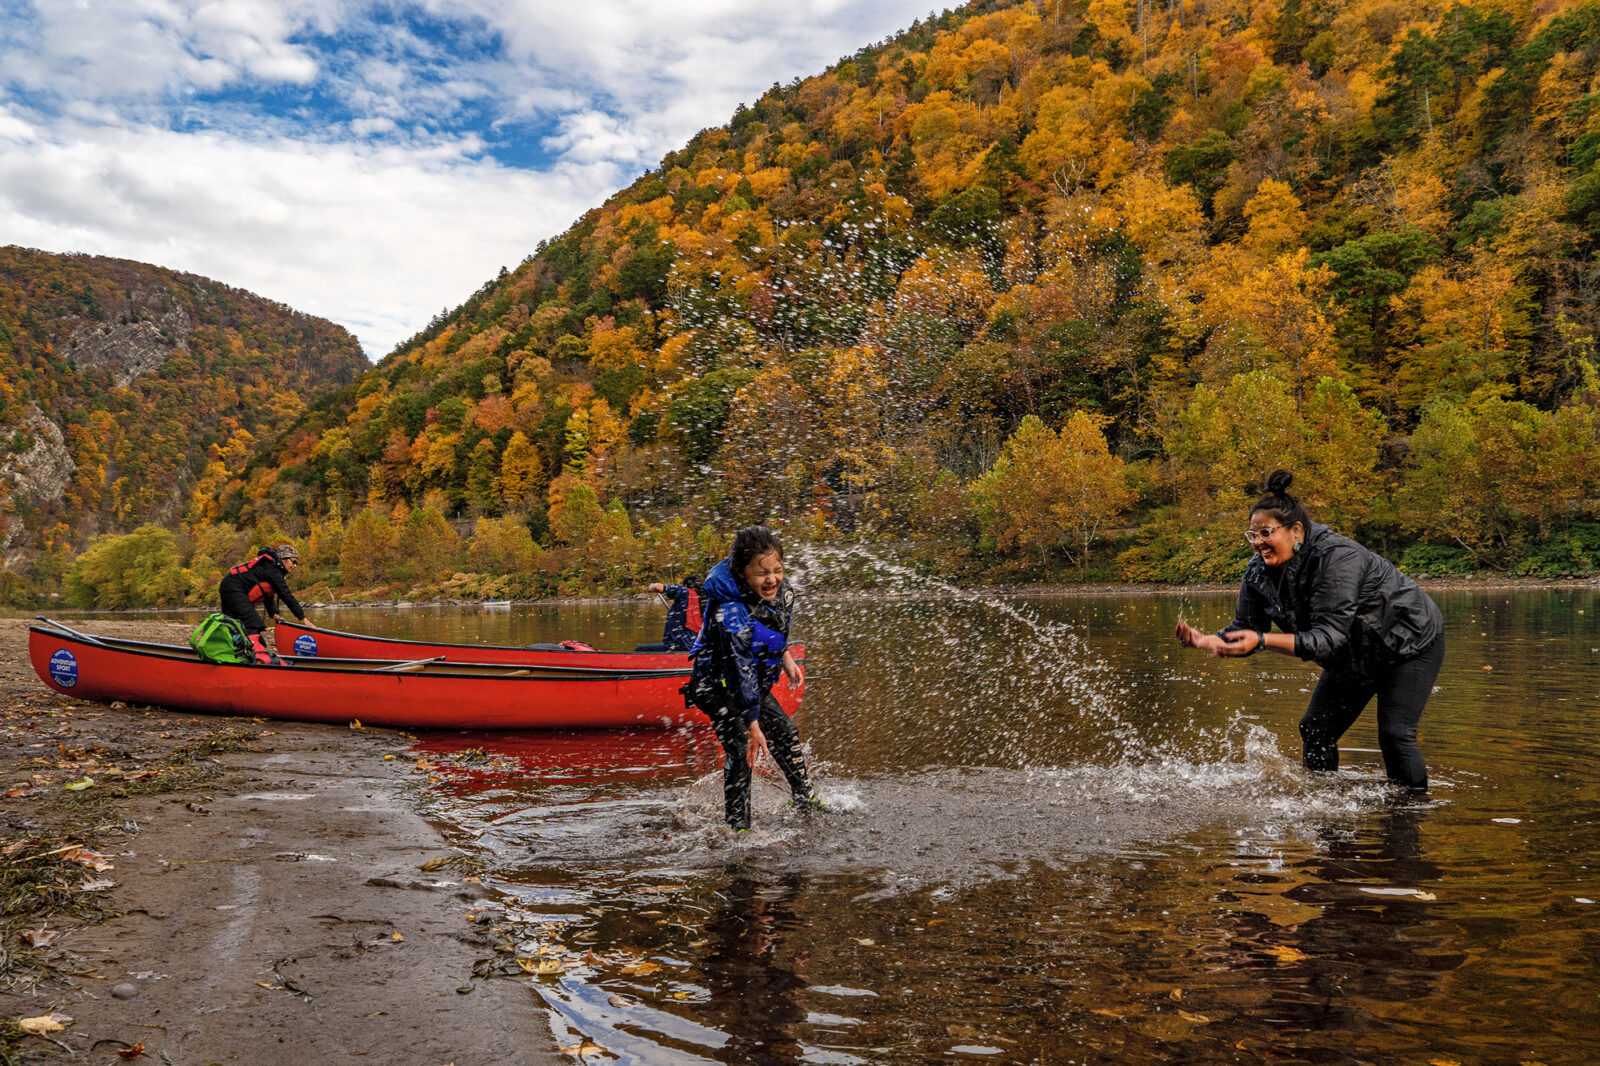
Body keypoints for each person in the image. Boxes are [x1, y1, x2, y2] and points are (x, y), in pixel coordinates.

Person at [1174, 471, 1444, 793]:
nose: (1258, 542)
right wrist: (1208, 640)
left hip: (1407, 643)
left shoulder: (1338, 558)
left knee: (1395, 733)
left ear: (1296, 530)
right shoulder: (1258, 571)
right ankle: (1323, 801)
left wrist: (1261, 642)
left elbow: (1327, 637)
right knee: (1316, 728)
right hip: (1352, 654)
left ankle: (1409, 817)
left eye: (1265, 532)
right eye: (1252, 534)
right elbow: (1247, 628)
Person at [689, 524, 816, 830]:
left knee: (785, 732)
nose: (771, 579)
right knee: (743, 748)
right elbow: (738, 666)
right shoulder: (729, 611)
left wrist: (785, 657)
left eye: (777, 569)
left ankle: (805, 800)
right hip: (716, 685)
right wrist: (753, 724)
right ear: (742, 574)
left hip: (749, 682)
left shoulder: (779, 593)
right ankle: (738, 827)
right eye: (762, 573)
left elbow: (773, 628)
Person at [219, 543, 308, 664]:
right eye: (294, 562)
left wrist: (274, 614)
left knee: (234, 623)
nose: (295, 565)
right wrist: (303, 617)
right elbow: (286, 594)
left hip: (229, 585)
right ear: (284, 560)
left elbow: (268, 595)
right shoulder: (273, 569)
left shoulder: (272, 568)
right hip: (233, 587)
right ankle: (259, 658)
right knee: (253, 622)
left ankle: (233, 652)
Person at [637, 576, 702, 652]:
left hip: (678, 645)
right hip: (692, 644)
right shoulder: (700, 599)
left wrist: (652, 586)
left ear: (686, 585)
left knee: (640, 649)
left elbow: (658, 587)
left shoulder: (684, 592)